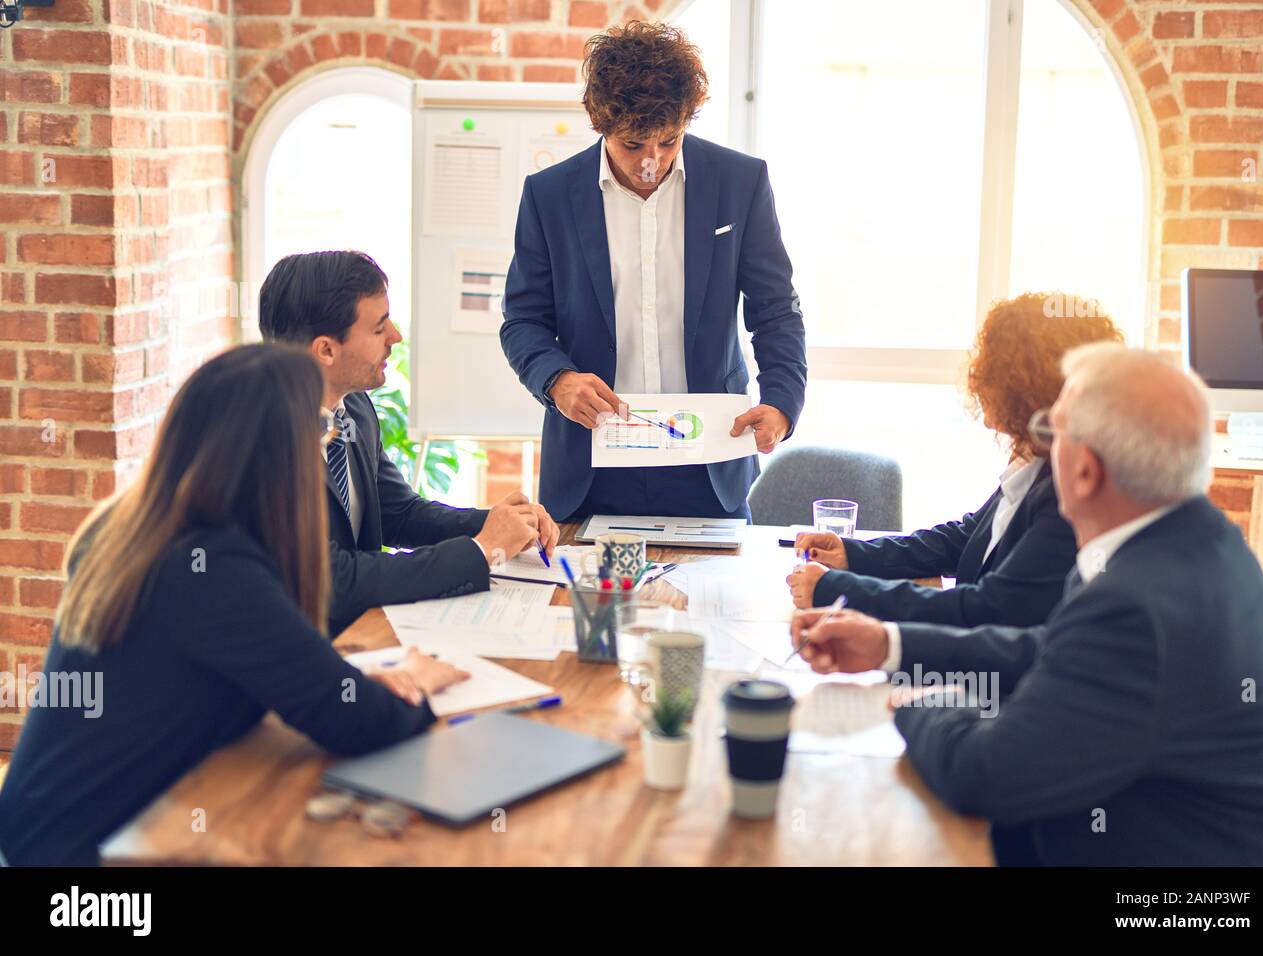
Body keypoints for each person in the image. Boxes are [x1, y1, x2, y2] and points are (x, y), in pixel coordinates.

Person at [790, 345, 1263, 865]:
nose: (1037, 451)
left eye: (1053, 433)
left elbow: (984, 775)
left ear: (1084, 473)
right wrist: (890, 646)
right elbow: (1055, 649)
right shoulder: (1207, 542)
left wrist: (916, 699)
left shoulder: (1134, 605)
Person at [0, 345, 471, 866]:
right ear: (277, 458)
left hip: (46, 830)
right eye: (317, 434)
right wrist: (415, 682)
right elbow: (359, 722)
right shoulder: (210, 568)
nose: (328, 441)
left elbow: (284, 678)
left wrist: (341, 686)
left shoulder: (142, 526)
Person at [500, 21, 807, 522]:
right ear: (600, 123)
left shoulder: (740, 182)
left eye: (668, 142)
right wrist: (557, 380)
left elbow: (776, 310)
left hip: (710, 460)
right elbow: (523, 320)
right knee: (580, 604)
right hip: (590, 465)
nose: (652, 162)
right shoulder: (548, 195)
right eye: (633, 145)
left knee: (716, 603)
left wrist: (782, 402)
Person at [259, 251, 558, 635]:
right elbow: (334, 581)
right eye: (379, 327)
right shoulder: (266, 441)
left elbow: (398, 513)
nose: (396, 337)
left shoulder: (355, 408)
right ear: (326, 350)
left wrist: (499, 523)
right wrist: (483, 551)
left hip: (359, 636)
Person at [788, 293, 1122, 627]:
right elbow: (964, 538)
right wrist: (854, 554)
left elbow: (986, 608)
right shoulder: (1035, 461)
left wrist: (839, 589)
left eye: (990, 365)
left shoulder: (1067, 493)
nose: (978, 376)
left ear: (1020, 385)